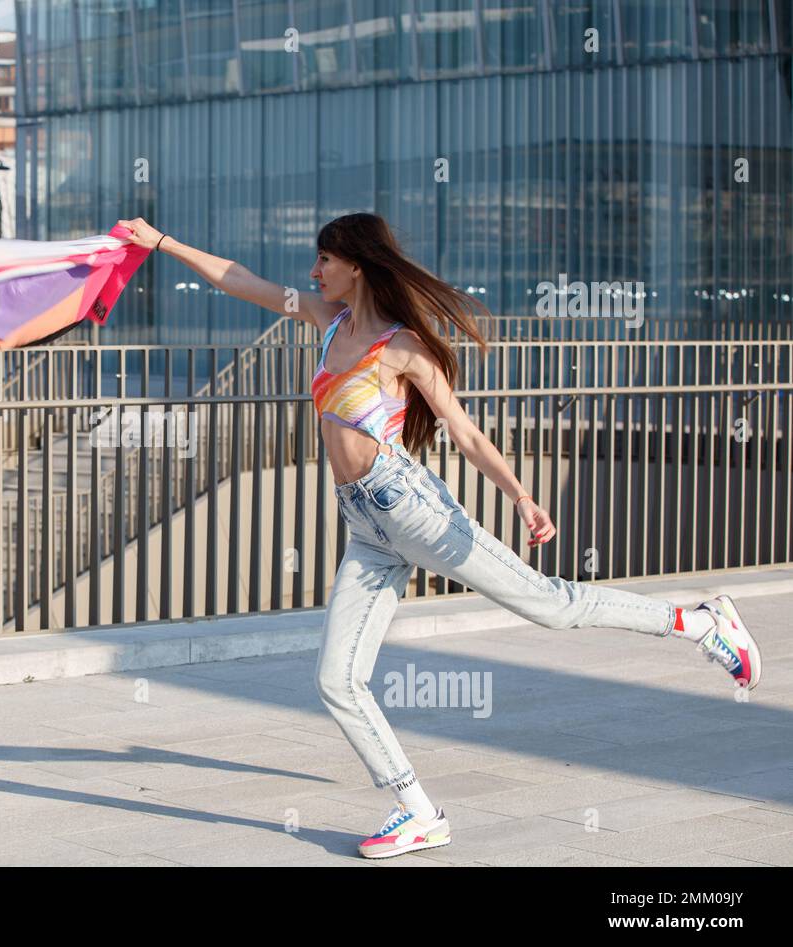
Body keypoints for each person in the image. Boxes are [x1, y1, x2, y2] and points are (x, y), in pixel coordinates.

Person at [117, 213, 763, 860]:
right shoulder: (325, 319)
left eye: (323, 260)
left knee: (550, 605)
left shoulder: (403, 348)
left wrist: (521, 495)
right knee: (338, 680)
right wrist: (164, 242)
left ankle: (699, 622)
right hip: (365, 527)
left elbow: (466, 432)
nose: (313, 273)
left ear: (357, 265)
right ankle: (416, 810)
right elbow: (240, 281)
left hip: (414, 511)